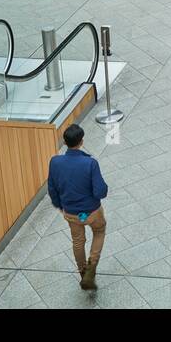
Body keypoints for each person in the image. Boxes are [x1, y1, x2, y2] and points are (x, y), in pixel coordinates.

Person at [47, 123, 109, 291]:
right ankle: (91, 267)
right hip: (92, 211)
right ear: (81, 142)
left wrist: (60, 206)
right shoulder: (90, 163)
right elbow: (101, 191)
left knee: (78, 241)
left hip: (71, 213)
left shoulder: (55, 162)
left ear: (65, 142)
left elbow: (52, 189)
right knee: (99, 231)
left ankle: (82, 271)